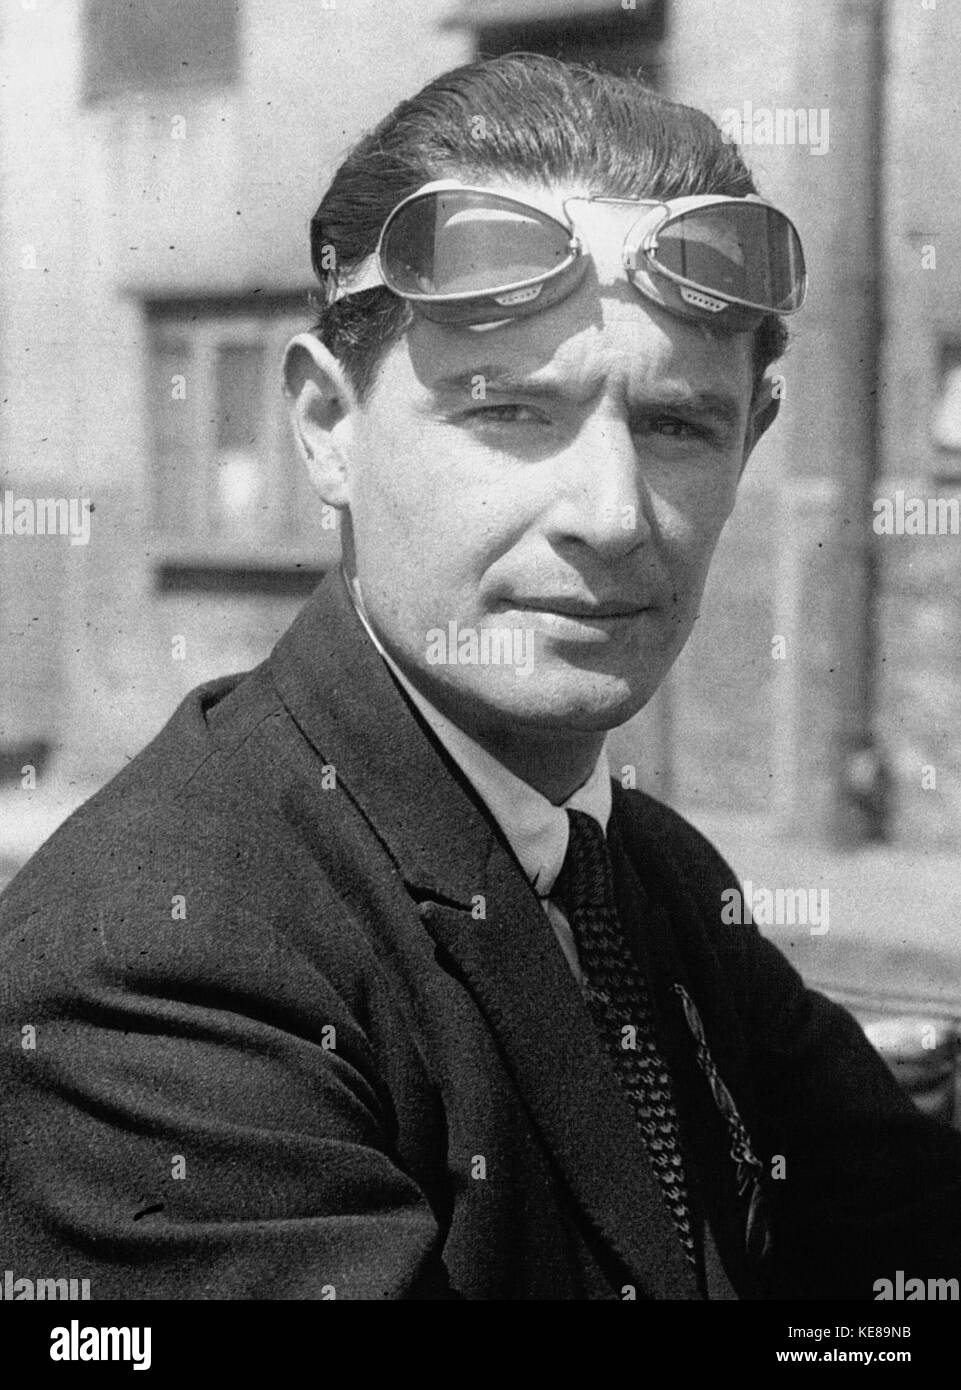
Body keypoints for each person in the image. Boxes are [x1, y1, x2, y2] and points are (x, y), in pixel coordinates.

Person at [0, 53, 958, 1302]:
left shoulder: (642, 872)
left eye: (677, 424)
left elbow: (910, 1234)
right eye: (508, 411)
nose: (613, 515)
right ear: (326, 426)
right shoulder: (158, 974)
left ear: (750, 442)